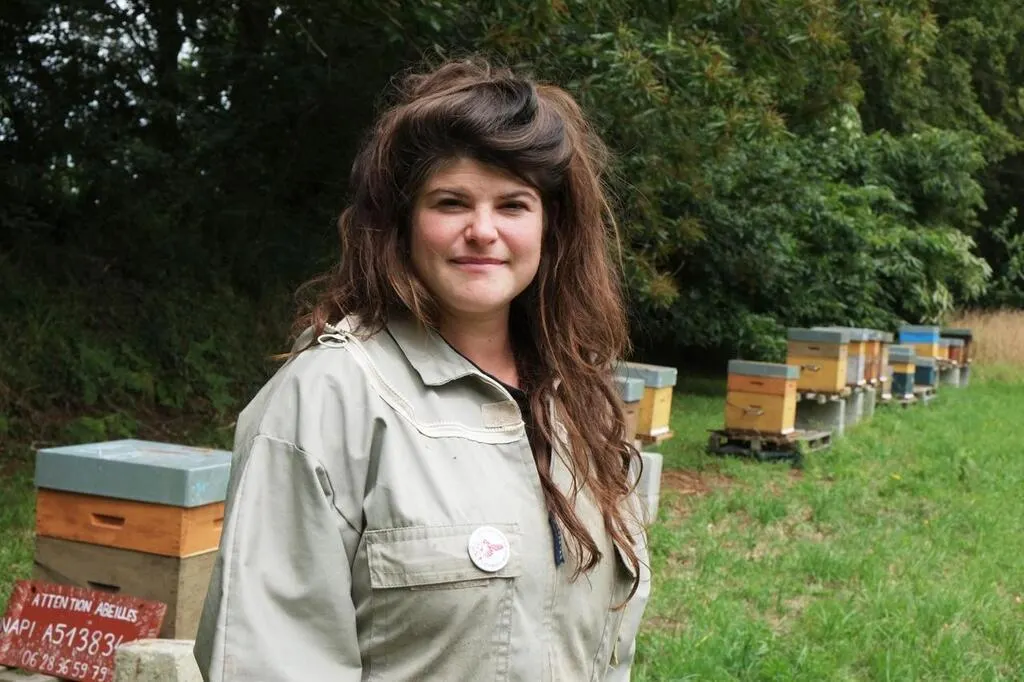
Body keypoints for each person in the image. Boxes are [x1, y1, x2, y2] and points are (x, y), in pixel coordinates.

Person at [193, 57, 651, 681]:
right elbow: (268, 662)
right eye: (451, 202)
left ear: (552, 226)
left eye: (513, 205)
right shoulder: (327, 400)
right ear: (402, 223)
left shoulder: (580, 397)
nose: (482, 230)